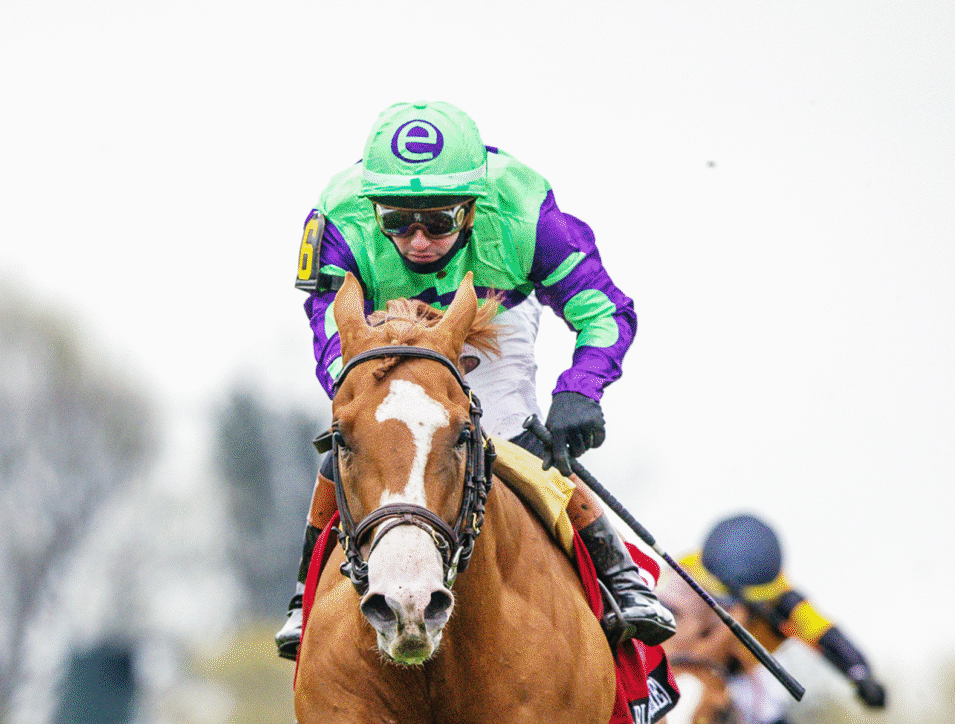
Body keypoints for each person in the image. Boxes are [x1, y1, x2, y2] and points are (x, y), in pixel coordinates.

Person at [276, 100, 674, 658]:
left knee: (508, 428)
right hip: (384, 322)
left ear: (473, 206)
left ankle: (618, 571)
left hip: (491, 310)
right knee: (365, 434)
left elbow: (604, 310)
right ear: (373, 209)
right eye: (397, 221)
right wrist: (361, 397)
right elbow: (328, 329)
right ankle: (305, 592)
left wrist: (579, 389)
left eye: (438, 222)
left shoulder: (527, 212)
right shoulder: (337, 216)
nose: (417, 240)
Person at [689, 512, 886, 724]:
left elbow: (829, 638)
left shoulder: (785, 600)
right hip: (688, 677)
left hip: (740, 684)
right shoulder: (685, 571)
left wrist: (861, 674)